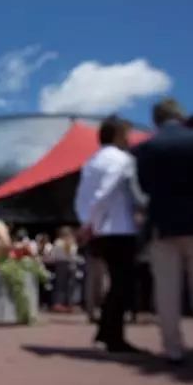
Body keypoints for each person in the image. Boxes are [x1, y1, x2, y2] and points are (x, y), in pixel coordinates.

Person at [135, 98, 193, 368]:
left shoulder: (147, 148)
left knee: (166, 289)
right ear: (181, 114)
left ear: (156, 120)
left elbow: (144, 186)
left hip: (164, 223)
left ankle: (173, 349)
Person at [74, 115, 147, 353]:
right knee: (123, 284)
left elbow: (83, 197)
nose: (130, 138)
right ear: (118, 135)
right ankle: (113, 337)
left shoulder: (91, 162)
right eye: (127, 133)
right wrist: (91, 223)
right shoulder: (123, 160)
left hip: (100, 231)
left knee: (117, 283)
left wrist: (87, 221)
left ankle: (106, 332)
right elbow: (104, 193)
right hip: (119, 228)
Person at [50, 227, 79, 313]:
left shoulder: (69, 243)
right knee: (63, 284)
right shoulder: (60, 242)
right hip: (63, 263)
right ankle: (61, 303)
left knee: (68, 285)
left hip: (67, 263)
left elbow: (73, 253)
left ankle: (67, 303)